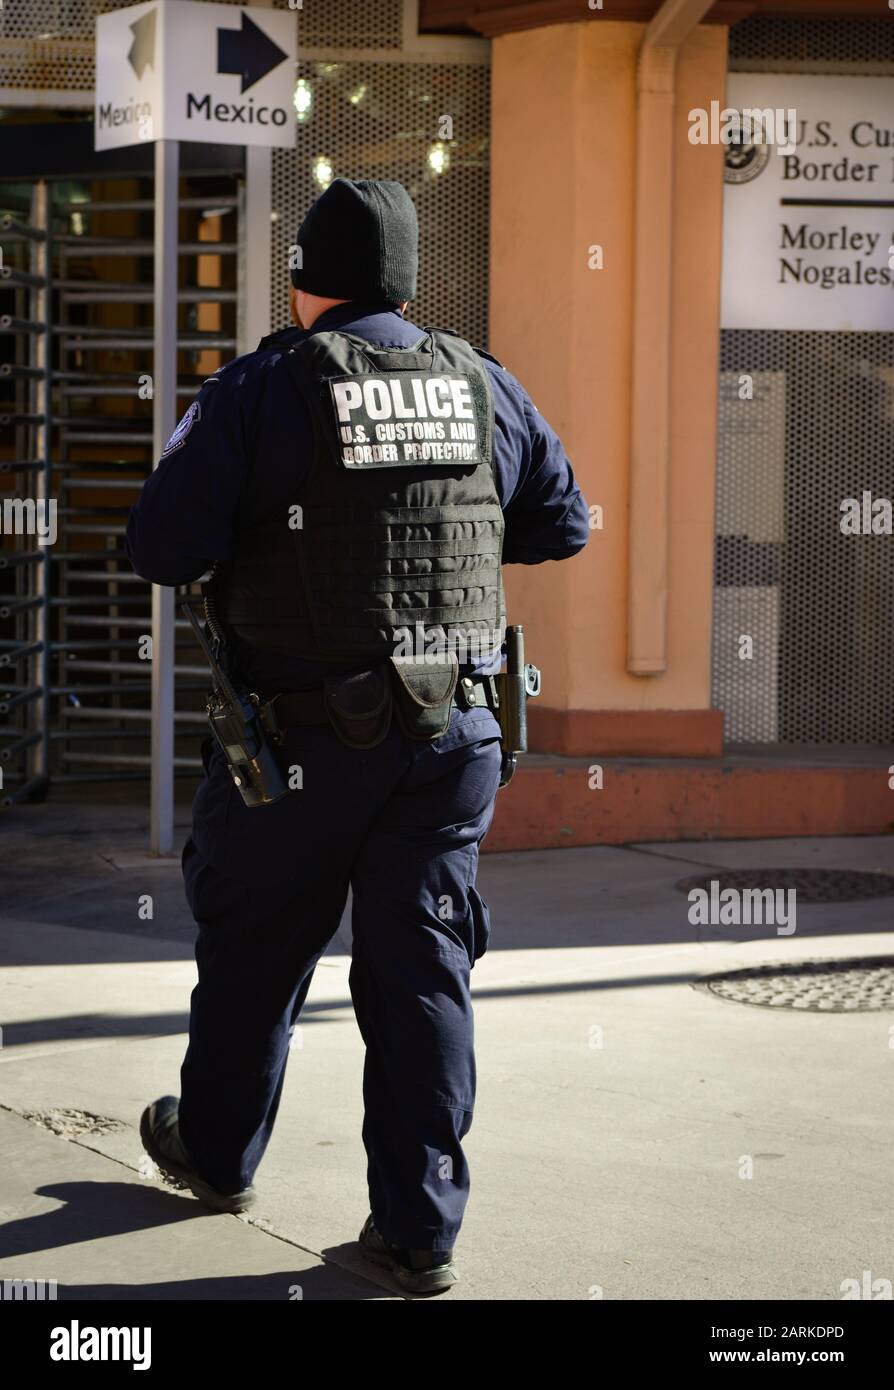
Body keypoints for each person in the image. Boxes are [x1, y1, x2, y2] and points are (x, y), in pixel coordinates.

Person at [126, 177, 589, 1295]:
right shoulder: (483, 382)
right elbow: (562, 521)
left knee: (254, 950)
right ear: (405, 280)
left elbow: (159, 545)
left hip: (300, 743)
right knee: (423, 968)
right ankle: (418, 1233)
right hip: (456, 734)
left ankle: (221, 1151)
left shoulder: (262, 387)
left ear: (303, 282)